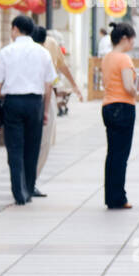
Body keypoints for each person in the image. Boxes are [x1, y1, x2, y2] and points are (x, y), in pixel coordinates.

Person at [0, 14, 56, 204]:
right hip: (35, 104)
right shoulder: (42, 53)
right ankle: (28, 188)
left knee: (14, 148)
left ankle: (18, 192)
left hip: (13, 103)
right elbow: (48, 86)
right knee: (32, 148)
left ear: (15, 29)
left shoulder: (7, 52)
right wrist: (45, 111)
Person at [32, 26, 85, 184]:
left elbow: (62, 65)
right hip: (33, 94)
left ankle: (31, 179)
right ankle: (25, 179)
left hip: (47, 94)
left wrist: (74, 85)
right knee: (31, 140)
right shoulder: (23, 48)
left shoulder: (52, 44)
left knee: (45, 141)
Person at [101, 22, 139, 209]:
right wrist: (137, 91)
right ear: (125, 38)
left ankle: (111, 196)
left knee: (112, 154)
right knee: (121, 155)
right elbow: (128, 86)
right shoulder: (124, 59)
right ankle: (118, 197)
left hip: (108, 105)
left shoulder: (107, 58)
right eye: (132, 39)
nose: (133, 43)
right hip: (123, 106)